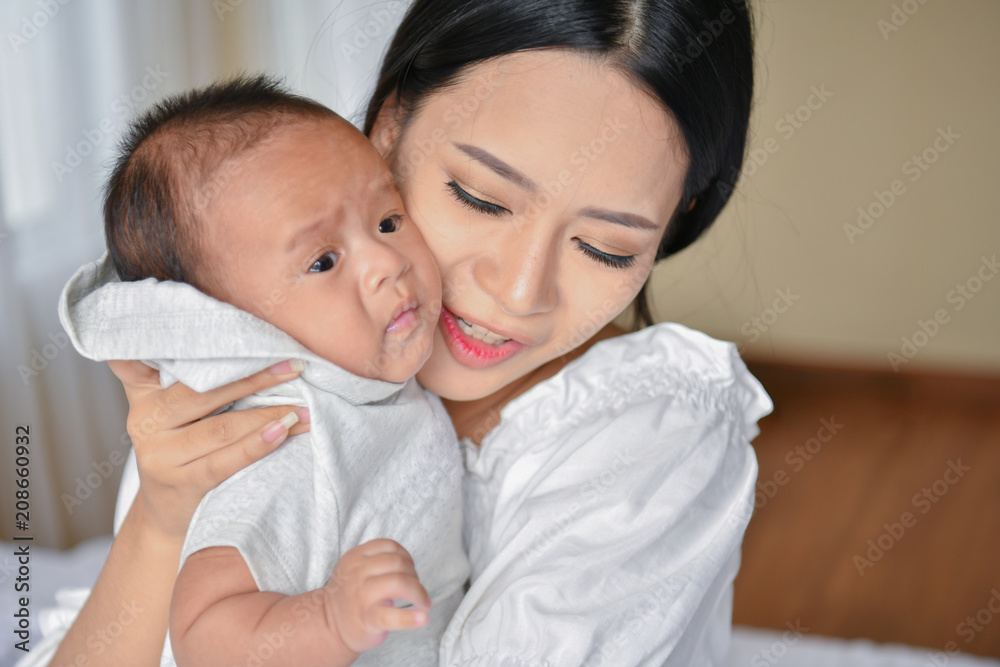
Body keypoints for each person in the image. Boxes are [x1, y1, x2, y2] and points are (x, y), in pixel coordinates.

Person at [35, 0, 771, 665]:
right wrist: (160, 521)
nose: (518, 291)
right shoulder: (249, 350)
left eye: (606, 247)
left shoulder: (653, 437)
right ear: (390, 125)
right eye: (479, 198)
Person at [58, 76, 468, 665]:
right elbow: (203, 631)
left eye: (387, 221)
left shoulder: (360, 386)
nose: (387, 263)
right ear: (234, 323)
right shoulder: (289, 436)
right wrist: (330, 615)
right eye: (323, 261)